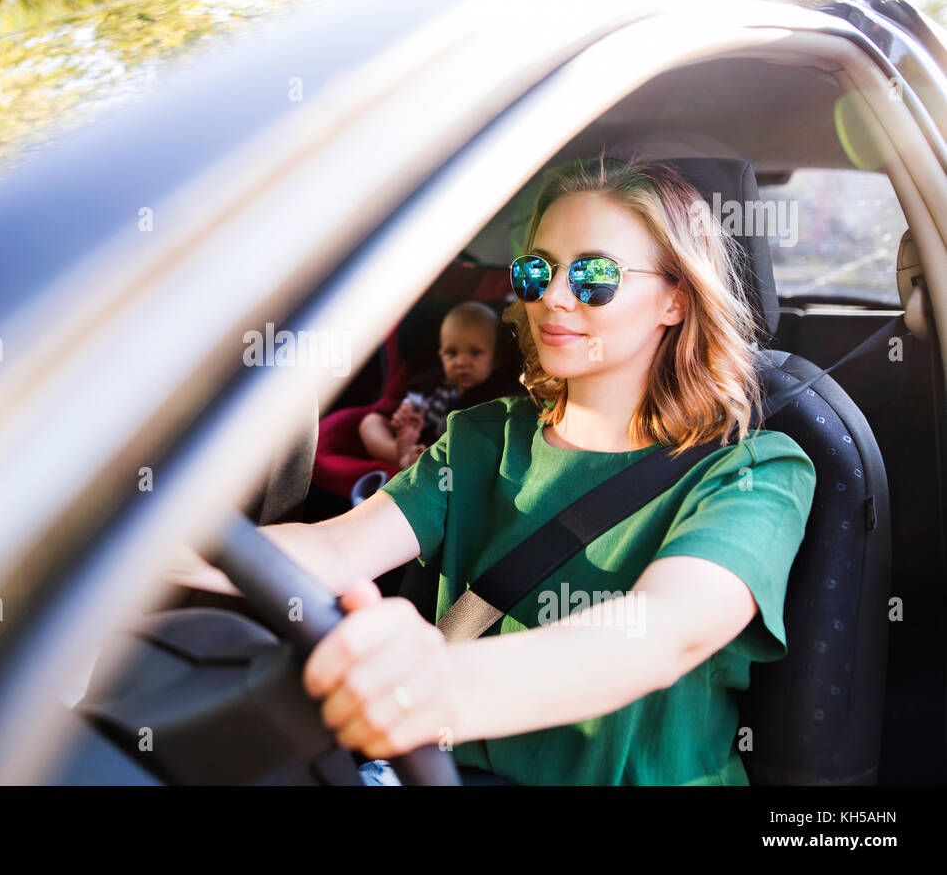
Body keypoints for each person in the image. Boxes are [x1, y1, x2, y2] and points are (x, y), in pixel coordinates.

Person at [169, 154, 817, 785]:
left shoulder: (756, 472)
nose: (554, 297)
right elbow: (335, 546)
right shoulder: (483, 437)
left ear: (675, 299)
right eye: (538, 272)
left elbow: (658, 636)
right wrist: (135, 558)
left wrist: (435, 689)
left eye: (594, 275)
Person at [358, 302, 507, 471]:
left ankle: (421, 461)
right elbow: (413, 405)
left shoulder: (494, 397)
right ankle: (400, 455)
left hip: (448, 454)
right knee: (371, 422)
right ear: (441, 355)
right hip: (415, 439)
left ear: (495, 359)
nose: (461, 362)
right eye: (452, 353)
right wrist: (404, 417)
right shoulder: (432, 382)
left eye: (474, 353)